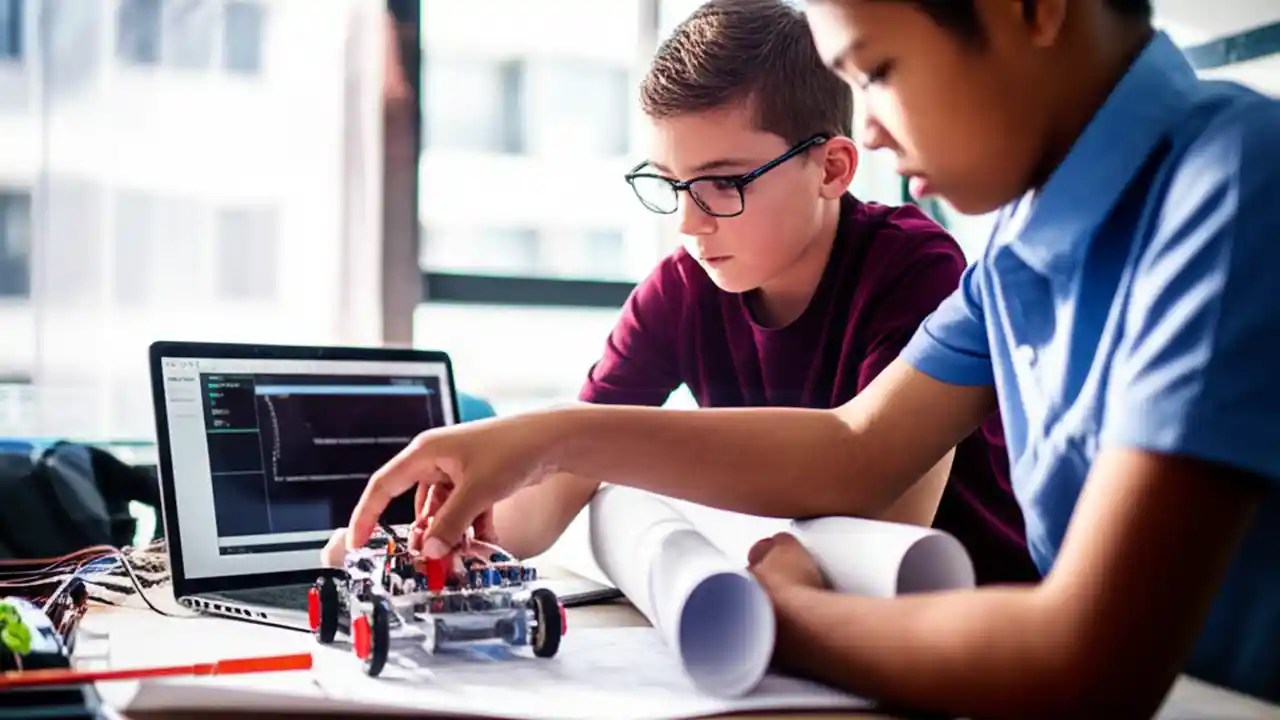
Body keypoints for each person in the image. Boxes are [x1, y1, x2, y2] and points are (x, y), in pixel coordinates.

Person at [346, 0, 1280, 714]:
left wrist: (774, 618)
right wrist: (545, 442)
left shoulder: (1236, 180)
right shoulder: (1020, 248)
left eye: (876, 71)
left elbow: (1089, 659)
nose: (868, 127)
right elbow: (856, 443)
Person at [470, 0, 1031, 585]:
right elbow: (554, 492)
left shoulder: (914, 266)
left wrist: (570, 438)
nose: (689, 222)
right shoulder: (681, 289)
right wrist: (471, 531)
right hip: (792, 591)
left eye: (723, 182)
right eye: (670, 184)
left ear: (832, 170)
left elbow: (883, 515)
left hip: (971, 606)